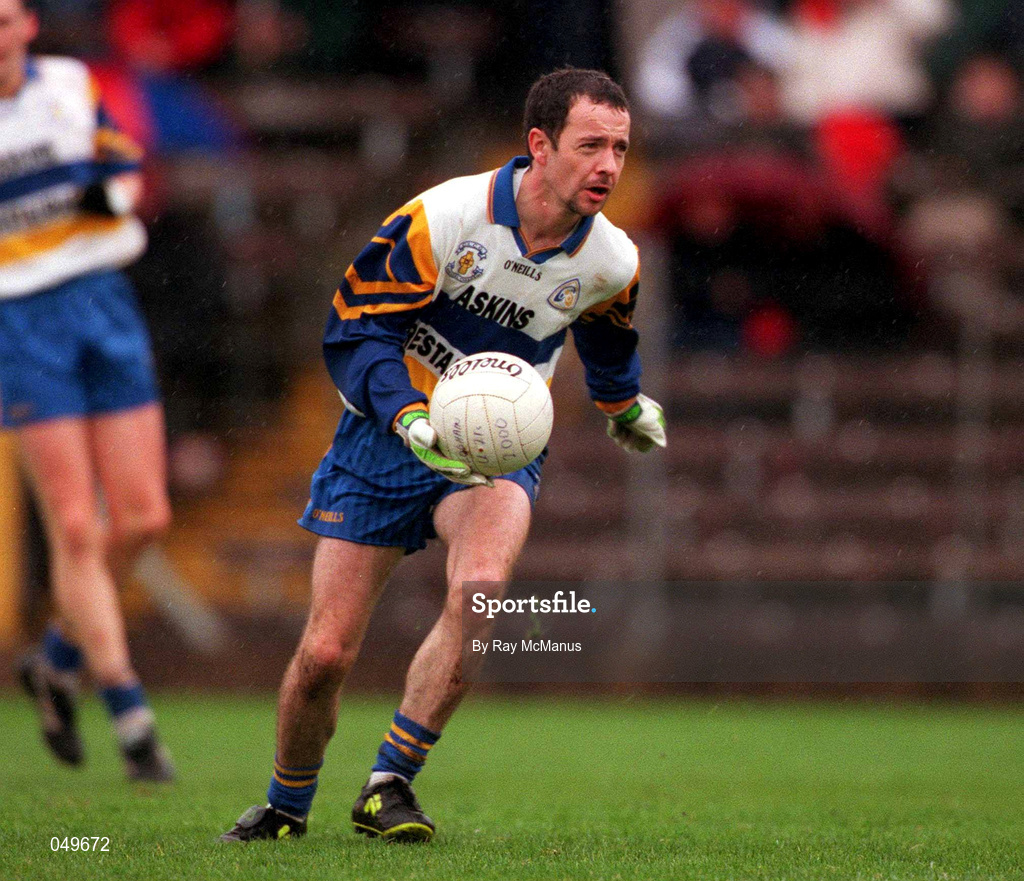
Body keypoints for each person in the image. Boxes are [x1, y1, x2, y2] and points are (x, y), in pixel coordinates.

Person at [220, 67, 666, 844]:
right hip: (384, 435)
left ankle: (389, 783)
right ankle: (286, 805)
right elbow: (357, 327)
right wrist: (409, 414)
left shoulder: (612, 258)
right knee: (325, 653)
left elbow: (605, 328)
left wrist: (622, 404)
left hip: (496, 450)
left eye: (621, 149)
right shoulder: (445, 215)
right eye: (591, 145)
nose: (608, 166)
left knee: (482, 591)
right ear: (539, 145)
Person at [0, 0, 174, 781]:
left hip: (103, 301)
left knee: (142, 517)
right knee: (76, 525)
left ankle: (58, 658)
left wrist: (65, 218)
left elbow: (125, 179)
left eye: (2, 19)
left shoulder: (73, 84)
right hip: (21, 320)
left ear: (28, 24)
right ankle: (131, 716)